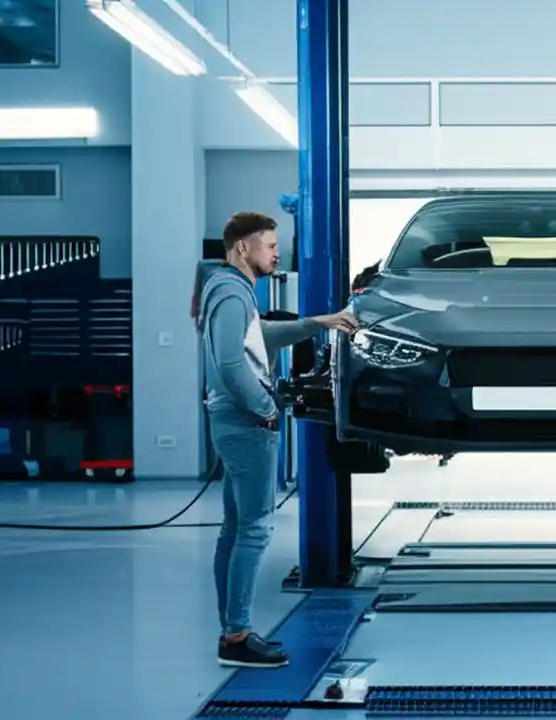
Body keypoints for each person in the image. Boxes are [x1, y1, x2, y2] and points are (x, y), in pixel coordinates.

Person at [197, 211, 357, 668]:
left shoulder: (231, 290)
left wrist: (318, 322)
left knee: (235, 527)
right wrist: (266, 410)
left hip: (233, 419)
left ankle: (233, 629)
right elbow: (230, 364)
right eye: (268, 245)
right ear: (242, 248)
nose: (276, 252)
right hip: (244, 422)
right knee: (255, 528)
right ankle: (237, 637)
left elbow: (259, 335)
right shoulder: (231, 292)